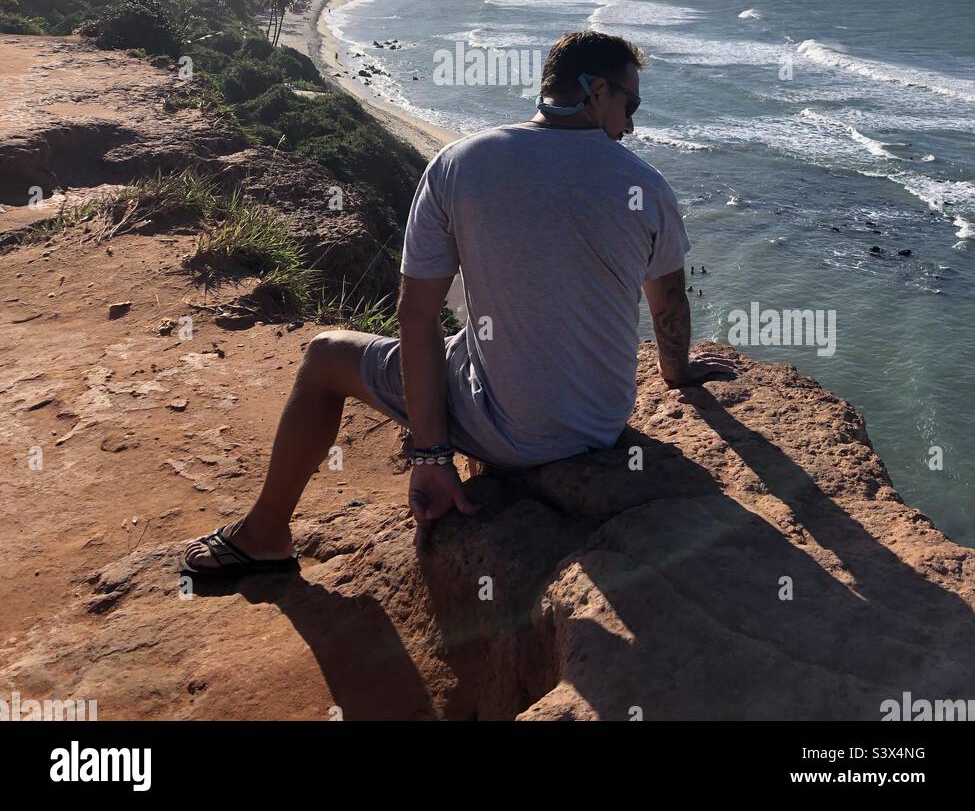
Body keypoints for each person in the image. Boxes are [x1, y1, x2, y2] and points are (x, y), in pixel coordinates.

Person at [180, 30, 734, 578]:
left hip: (510, 429)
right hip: (601, 423)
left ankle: (264, 536)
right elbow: (668, 303)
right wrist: (677, 371)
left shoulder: (461, 164)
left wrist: (431, 457)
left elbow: (416, 315)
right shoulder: (647, 184)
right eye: (629, 103)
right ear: (595, 91)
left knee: (326, 355)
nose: (631, 124)